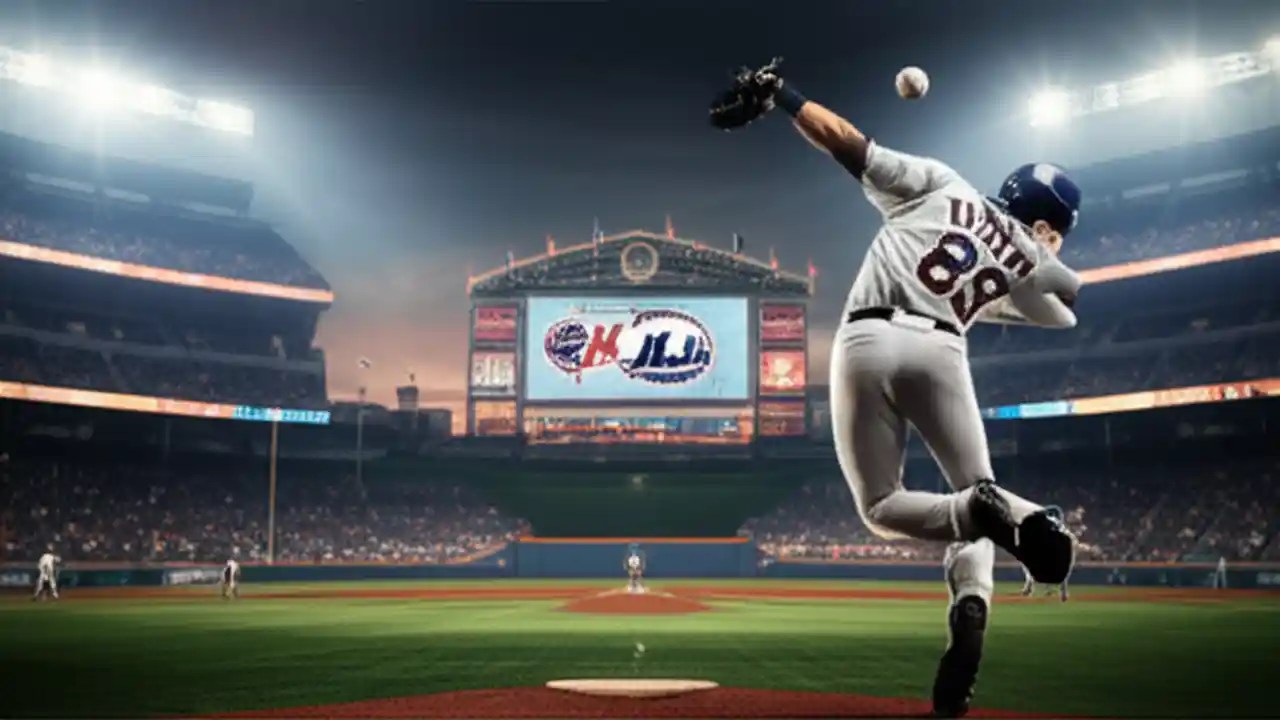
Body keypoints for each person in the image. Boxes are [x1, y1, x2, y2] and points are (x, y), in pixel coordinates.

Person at [739, 65, 1080, 718]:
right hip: (943, 349)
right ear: (1048, 225)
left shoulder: (944, 182)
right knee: (981, 482)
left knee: (882, 505)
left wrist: (783, 97)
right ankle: (973, 600)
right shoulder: (1025, 261)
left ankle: (996, 517)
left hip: (868, 337)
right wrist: (1041, 257)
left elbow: (849, 143)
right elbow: (1065, 306)